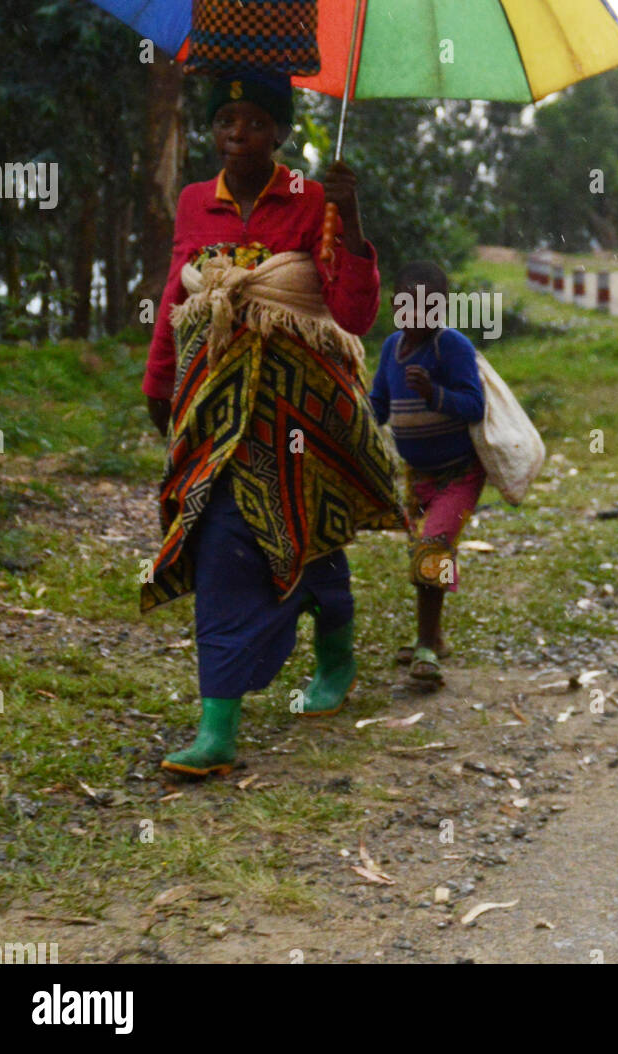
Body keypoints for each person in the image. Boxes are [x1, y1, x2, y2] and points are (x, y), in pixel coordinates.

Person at [142, 70, 405, 776]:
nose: (237, 134)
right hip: (221, 411)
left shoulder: (313, 200)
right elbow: (179, 294)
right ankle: (217, 729)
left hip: (304, 409)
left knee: (305, 535)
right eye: (226, 120)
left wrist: (350, 224)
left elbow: (351, 315)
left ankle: (336, 643)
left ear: (280, 132)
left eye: (255, 121)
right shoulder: (198, 203)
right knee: (227, 542)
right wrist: (160, 382)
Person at [369, 260, 486, 687]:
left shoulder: (449, 346)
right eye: (408, 305)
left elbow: (474, 405)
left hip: (458, 473)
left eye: (428, 307)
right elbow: (379, 404)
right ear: (396, 305)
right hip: (416, 476)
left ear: (442, 309)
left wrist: (433, 394)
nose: (417, 316)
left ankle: (424, 648)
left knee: (433, 547)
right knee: (424, 552)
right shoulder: (390, 348)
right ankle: (433, 636)